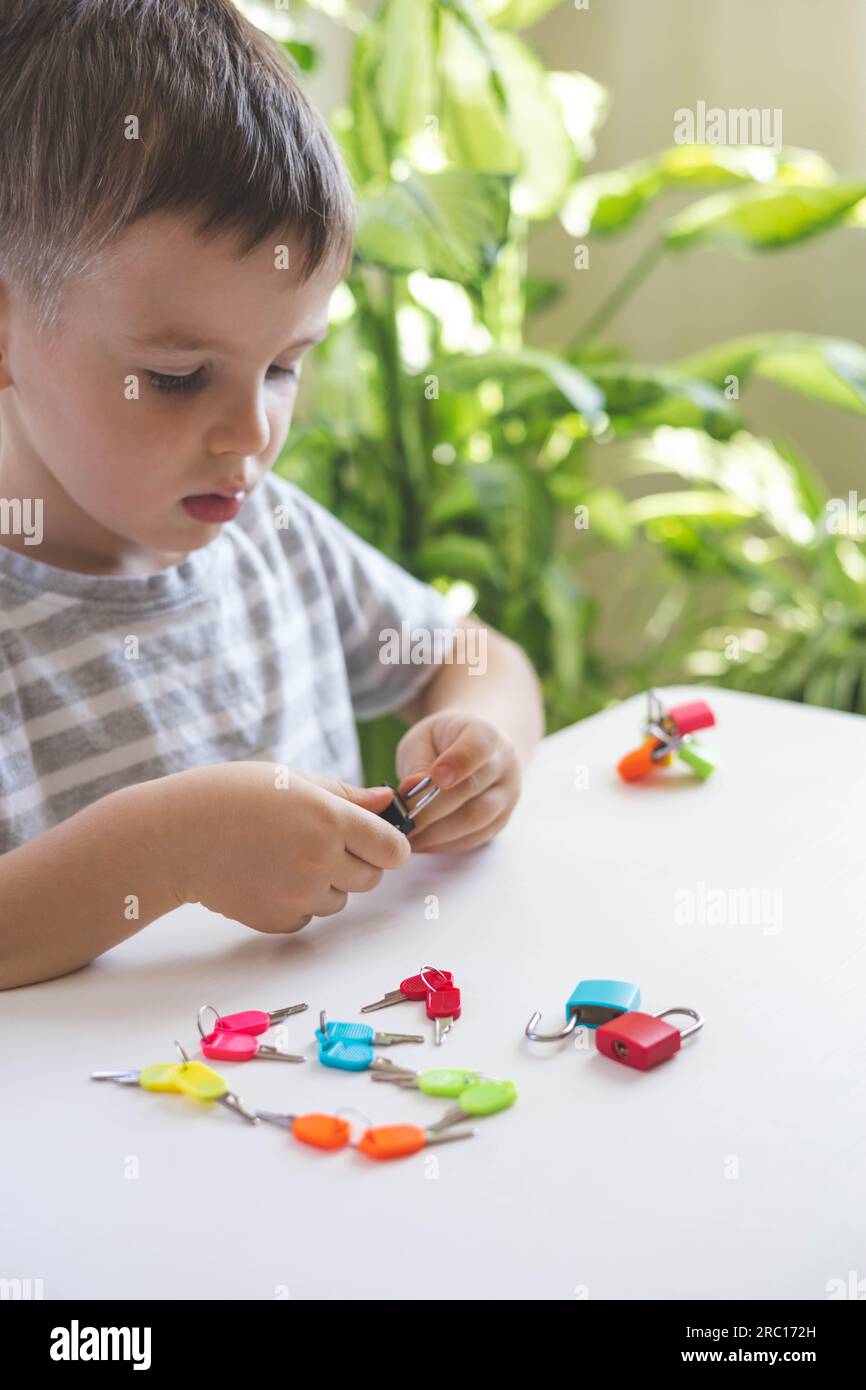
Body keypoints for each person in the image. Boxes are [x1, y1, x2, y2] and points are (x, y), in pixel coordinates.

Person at [0, 0, 544, 989]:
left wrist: (481, 744)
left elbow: (474, 658)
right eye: (177, 376)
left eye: (285, 366)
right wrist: (167, 851)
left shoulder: (276, 532)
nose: (251, 435)